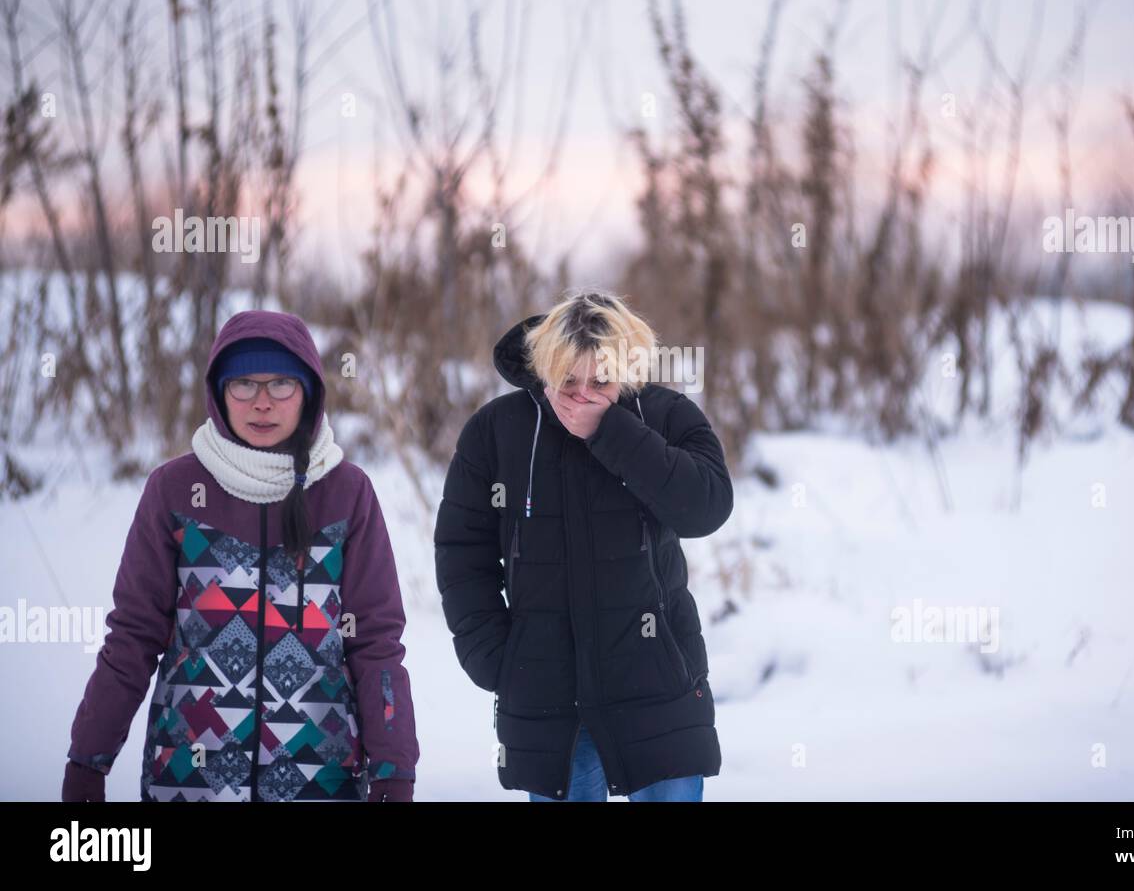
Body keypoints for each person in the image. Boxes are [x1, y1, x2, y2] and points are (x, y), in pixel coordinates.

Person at [61, 310, 419, 801]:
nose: (263, 403)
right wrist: (88, 758)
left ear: (309, 391)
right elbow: (133, 636)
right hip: (189, 779)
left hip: (321, 781)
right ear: (219, 392)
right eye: (244, 384)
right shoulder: (176, 491)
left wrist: (394, 771)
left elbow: (375, 644)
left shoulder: (346, 494)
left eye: (281, 385)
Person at [435, 290, 733, 800]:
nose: (581, 397)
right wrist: (496, 656)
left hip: (659, 682)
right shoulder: (497, 431)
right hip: (550, 694)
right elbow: (462, 551)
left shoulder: (665, 416)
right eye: (567, 381)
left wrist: (613, 433)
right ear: (543, 370)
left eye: (600, 382)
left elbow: (706, 506)